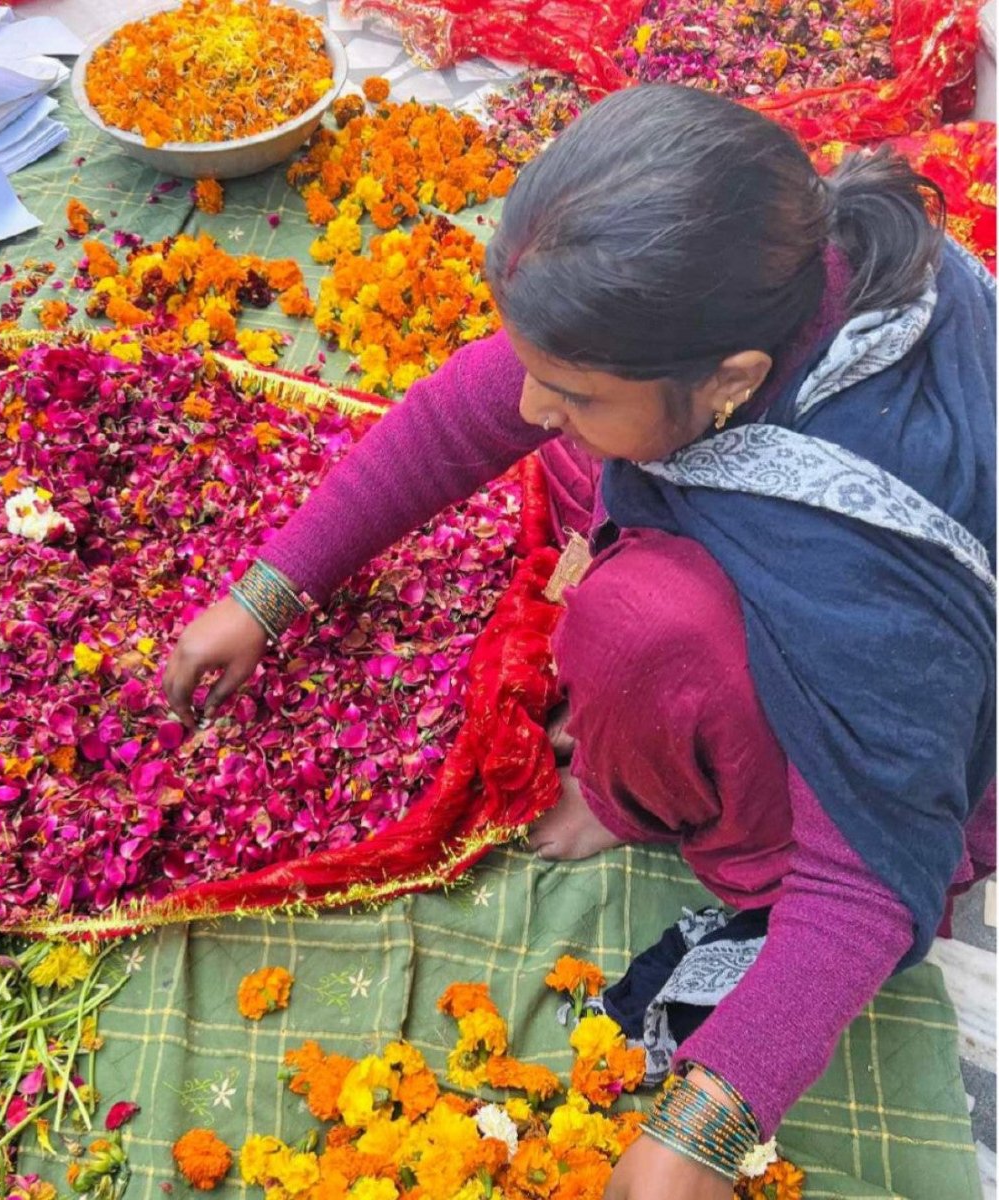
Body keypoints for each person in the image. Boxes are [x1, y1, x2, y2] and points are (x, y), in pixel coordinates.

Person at [162, 85, 996, 1198]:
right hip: (756, 485)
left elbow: (863, 879)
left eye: (571, 391)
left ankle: (672, 808)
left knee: (639, 624)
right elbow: (468, 412)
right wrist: (269, 593)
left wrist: (708, 1126)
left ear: (735, 380)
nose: (530, 406)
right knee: (580, 467)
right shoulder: (770, 268)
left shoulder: (864, 573)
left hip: (903, 687)